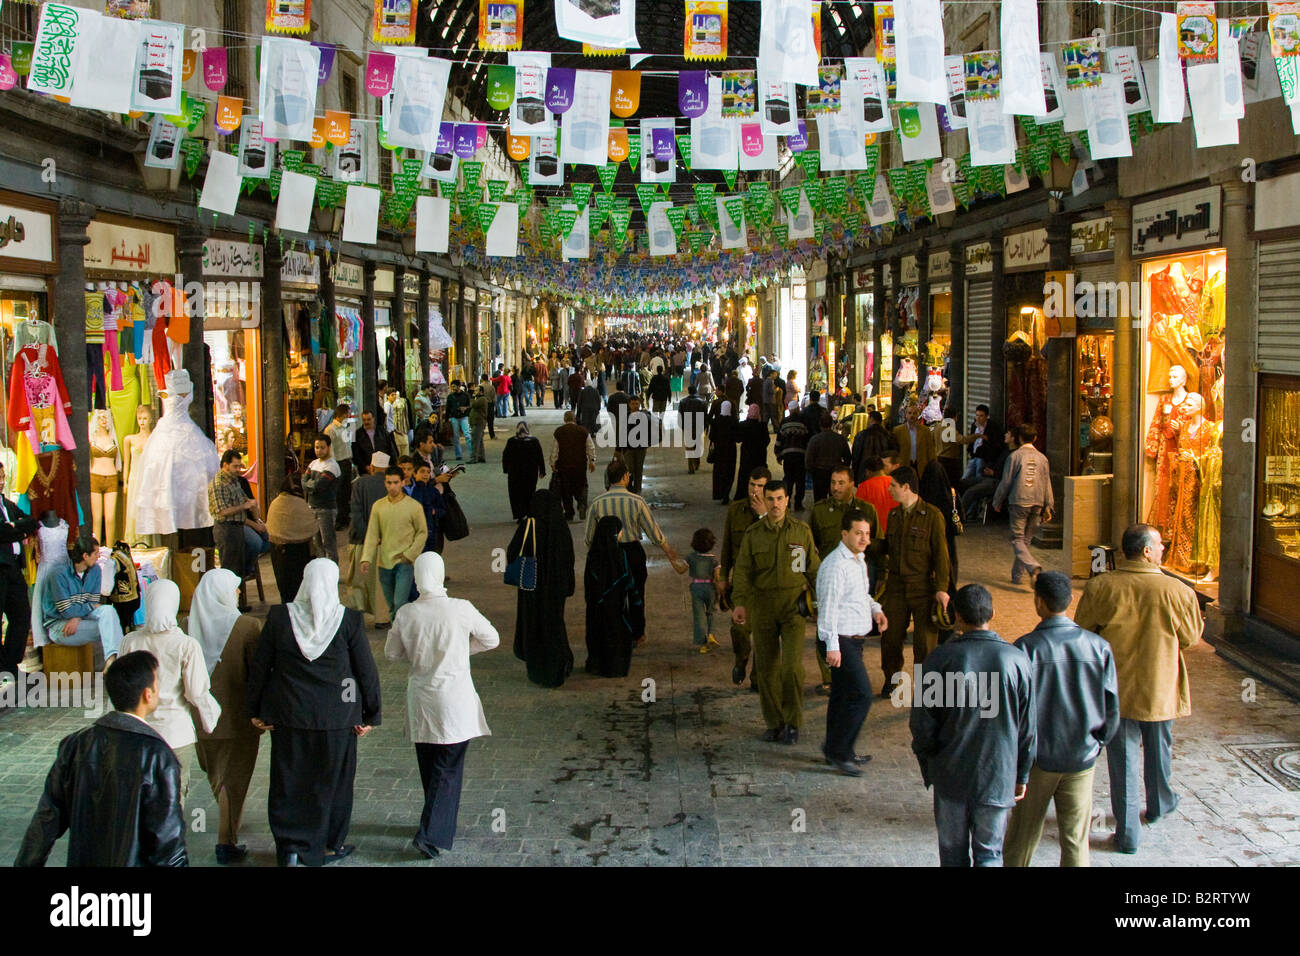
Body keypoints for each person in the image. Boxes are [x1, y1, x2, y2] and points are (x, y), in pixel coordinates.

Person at [1074, 523, 1202, 855]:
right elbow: (1190, 638)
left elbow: (1082, 632)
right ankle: (1160, 804)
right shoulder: (1178, 591)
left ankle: (1128, 832)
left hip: (1115, 687)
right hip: (1159, 685)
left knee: (1123, 759)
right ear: (1146, 551)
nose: (1163, 549)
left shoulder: (1102, 586)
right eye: (1159, 545)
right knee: (1160, 748)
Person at [247, 558, 381, 867]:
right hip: (338, 720)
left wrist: (255, 709)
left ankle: (290, 848)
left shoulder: (280, 617)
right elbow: (365, 672)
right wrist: (369, 715)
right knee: (333, 783)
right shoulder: (348, 621)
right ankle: (328, 846)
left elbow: (260, 666)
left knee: (289, 781)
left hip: (288, 716)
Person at [16, 650, 189, 866]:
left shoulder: (76, 744)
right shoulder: (158, 756)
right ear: (148, 694)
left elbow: (46, 820)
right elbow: (168, 845)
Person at [908, 585, 1034, 867]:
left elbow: (922, 724)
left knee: (952, 855)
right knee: (990, 854)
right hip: (997, 776)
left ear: (955, 616)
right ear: (993, 614)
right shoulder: (1016, 660)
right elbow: (1027, 729)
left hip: (951, 775)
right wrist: (1022, 773)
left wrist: (931, 766)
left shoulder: (940, 659)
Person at [1004, 571, 1120, 868]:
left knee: (1022, 838)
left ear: (1039, 602)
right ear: (1070, 600)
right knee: (1076, 840)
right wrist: (1096, 743)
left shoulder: (1025, 648)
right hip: (1081, 757)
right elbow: (1112, 708)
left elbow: (1013, 710)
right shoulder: (1099, 646)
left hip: (1037, 760)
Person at [386, 552, 498, 858]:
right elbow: (492, 639)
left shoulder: (406, 613)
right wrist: (460, 651)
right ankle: (430, 833)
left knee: (430, 766)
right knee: (448, 768)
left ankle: (434, 824)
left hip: (421, 701)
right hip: (454, 701)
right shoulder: (461, 609)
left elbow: (392, 654)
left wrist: (419, 652)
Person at [732, 480, 821, 745]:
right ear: (764, 500)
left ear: (787, 500)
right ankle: (774, 723)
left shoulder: (801, 532)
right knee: (767, 669)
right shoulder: (753, 534)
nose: (775, 504)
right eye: (770, 499)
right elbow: (743, 571)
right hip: (763, 607)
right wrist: (739, 603)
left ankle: (793, 723)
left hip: (793, 608)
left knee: (792, 668)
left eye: (780, 498)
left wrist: (820, 603)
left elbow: (814, 570)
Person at [187, 568, 265, 864]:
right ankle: (226, 841)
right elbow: (257, 675)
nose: (238, 593)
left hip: (199, 720)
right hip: (238, 718)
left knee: (217, 774)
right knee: (234, 778)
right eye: (234, 588)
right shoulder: (247, 626)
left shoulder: (187, 625)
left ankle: (229, 823)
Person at [119, 579, 221, 800]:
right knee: (173, 798)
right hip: (176, 734)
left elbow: (121, 688)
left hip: (138, 734)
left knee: (139, 796)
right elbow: (196, 693)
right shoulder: (186, 645)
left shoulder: (130, 642)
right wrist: (210, 719)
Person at [817, 508, 888, 776]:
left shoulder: (859, 560)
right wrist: (832, 646)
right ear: (844, 534)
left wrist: (876, 610)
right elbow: (828, 608)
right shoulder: (836, 566)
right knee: (862, 694)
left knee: (842, 695)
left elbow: (860, 596)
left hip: (852, 641)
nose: (864, 539)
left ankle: (836, 749)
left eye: (867, 534)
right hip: (840, 640)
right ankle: (839, 751)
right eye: (858, 533)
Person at [585, 459, 687, 633]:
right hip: (633, 553)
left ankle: (616, 631)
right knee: (636, 594)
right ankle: (638, 633)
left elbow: (589, 538)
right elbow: (653, 531)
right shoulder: (637, 501)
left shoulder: (597, 503)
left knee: (612, 594)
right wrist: (669, 552)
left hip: (608, 556)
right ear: (625, 477)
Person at [809, 465, 881, 694]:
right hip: (828, 579)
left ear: (852, 484)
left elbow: (877, 546)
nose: (836, 487)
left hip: (855, 579)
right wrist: (804, 578)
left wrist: (881, 576)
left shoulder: (867, 510)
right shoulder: (819, 511)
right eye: (833, 482)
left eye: (841, 483)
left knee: (851, 629)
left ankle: (848, 671)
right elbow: (807, 547)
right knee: (826, 624)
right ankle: (830, 678)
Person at [879, 466, 951, 695]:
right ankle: (891, 680)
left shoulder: (932, 516)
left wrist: (941, 589)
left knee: (925, 644)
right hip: (896, 587)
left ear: (906, 487)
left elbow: (941, 555)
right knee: (890, 638)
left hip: (923, 587)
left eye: (893, 486)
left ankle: (926, 689)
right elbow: (887, 548)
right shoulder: (894, 515)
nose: (889, 490)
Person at [509, 489, 576, 688]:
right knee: (554, 624)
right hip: (555, 588)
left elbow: (512, 552)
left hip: (532, 587)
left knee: (534, 625)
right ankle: (559, 665)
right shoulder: (561, 527)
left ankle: (538, 669)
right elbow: (569, 559)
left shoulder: (529, 525)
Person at [42, 537, 123, 670]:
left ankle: (111, 660)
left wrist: (77, 618)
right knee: (109, 627)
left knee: (109, 611)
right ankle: (117, 664)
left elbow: (93, 601)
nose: (98, 557)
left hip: (79, 620)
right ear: (85, 556)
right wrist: (84, 610)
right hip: (59, 626)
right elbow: (67, 611)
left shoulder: (95, 570)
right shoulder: (59, 574)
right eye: (96, 553)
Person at [721, 467, 769, 689]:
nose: (755, 490)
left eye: (760, 486)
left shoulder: (775, 511)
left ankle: (758, 679)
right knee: (739, 628)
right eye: (752, 485)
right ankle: (741, 659)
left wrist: (763, 515)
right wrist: (723, 576)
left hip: (767, 583)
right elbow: (727, 545)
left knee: (763, 634)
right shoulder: (736, 510)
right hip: (743, 583)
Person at [361, 466, 428, 620]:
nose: (392, 487)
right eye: (389, 483)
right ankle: (398, 630)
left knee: (400, 603)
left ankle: (401, 631)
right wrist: (366, 558)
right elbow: (372, 534)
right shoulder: (378, 506)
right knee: (392, 606)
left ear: (403, 482)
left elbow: (422, 533)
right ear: (385, 483)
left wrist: (409, 555)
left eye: (396, 482)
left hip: (404, 563)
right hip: (384, 563)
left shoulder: (414, 507)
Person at [583, 515, 646, 678]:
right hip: (617, 610)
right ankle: (615, 667)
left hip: (596, 609)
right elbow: (630, 584)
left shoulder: (592, 556)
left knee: (597, 635)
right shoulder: (620, 555)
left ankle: (596, 665)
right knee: (616, 636)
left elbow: (589, 586)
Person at [992, 423, 1054, 585]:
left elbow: (1006, 481)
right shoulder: (1043, 458)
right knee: (1026, 540)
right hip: (1037, 501)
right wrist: (1048, 506)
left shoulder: (1014, 456)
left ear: (1019, 438)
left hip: (1019, 500)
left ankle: (1033, 567)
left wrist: (997, 500)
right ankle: (1017, 576)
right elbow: (1046, 482)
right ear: (1035, 438)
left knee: (1018, 539)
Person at [0, 462, 37, 687]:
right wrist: (15, 529)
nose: (1, 481)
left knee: (21, 616)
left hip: (14, 568)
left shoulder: (8, 505)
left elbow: (30, 521)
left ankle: (9, 666)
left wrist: (14, 527)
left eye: (3, 477)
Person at [347, 451, 392, 628]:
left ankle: (355, 617)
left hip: (361, 541)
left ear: (371, 467)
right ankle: (382, 618)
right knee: (381, 584)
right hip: (384, 543)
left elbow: (356, 513)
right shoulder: (392, 485)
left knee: (358, 581)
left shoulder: (359, 484)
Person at [919, 460, 961, 643]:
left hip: (928, 547)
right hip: (949, 546)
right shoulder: (951, 494)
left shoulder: (923, 498)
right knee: (948, 583)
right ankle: (947, 623)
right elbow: (961, 517)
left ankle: (932, 623)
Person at [209, 449, 257, 579]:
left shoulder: (234, 480)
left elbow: (244, 498)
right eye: (235, 466)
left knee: (238, 570)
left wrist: (251, 504)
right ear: (225, 465)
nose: (238, 469)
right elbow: (222, 511)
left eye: (239, 466)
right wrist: (244, 506)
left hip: (237, 527)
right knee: (230, 570)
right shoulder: (218, 484)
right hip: (226, 529)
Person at [551, 411, 596, 522]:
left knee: (565, 490)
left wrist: (553, 462)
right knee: (582, 485)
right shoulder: (583, 431)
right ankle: (582, 504)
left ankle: (569, 513)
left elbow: (555, 449)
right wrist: (592, 460)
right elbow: (590, 447)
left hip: (564, 465)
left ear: (564, 419)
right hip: (580, 465)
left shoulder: (559, 432)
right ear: (575, 419)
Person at [960, 430, 1013, 521]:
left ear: (1013, 438)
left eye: (1008, 434)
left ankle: (959, 517)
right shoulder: (1005, 450)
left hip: (998, 481)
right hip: (990, 477)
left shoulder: (1013, 455)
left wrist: (994, 473)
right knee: (962, 483)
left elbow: (1008, 475)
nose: (1005, 435)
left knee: (971, 491)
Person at [303, 436, 340, 563]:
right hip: (312, 507)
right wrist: (311, 485)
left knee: (328, 543)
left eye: (322, 447)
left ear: (328, 447)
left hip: (326, 509)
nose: (319, 450)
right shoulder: (313, 464)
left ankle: (332, 570)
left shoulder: (332, 466)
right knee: (316, 543)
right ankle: (321, 569)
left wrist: (310, 485)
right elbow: (303, 482)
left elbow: (319, 485)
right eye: (316, 447)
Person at [685, 528, 722, 654]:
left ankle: (702, 642)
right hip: (710, 588)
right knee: (710, 612)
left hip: (696, 588)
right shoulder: (714, 560)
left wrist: (672, 560)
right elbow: (717, 578)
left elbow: (680, 570)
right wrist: (720, 591)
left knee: (699, 615)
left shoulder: (690, 557)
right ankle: (711, 635)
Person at [502, 421, 547, 521]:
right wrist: (542, 470)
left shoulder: (511, 441)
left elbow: (505, 456)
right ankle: (529, 513)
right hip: (530, 473)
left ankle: (519, 515)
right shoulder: (534, 441)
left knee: (516, 494)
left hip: (515, 473)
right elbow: (539, 456)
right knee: (529, 493)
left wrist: (506, 469)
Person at [774, 401, 810, 511]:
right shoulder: (804, 421)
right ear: (797, 409)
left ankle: (787, 502)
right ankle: (798, 504)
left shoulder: (784, 422)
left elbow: (779, 440)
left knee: (788, 479)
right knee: (800, 480)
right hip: (800, 456)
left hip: (788, 456)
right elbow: (807, 440)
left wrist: (779, 455)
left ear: (789, 410)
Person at [323, 403, 354, 530]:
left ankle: (345, 517)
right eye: (347, 414)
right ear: (342, 414)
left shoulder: (344, 427)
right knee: (339, 493)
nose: (349, 416)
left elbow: (347, 446)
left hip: (346, 462)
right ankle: (339, 520)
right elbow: (331, 450)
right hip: (338, 463)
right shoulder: (331, 429)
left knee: (346, 492)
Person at [733, 404, 771, 502]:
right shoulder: (762, 426)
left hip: (746, 456)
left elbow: (738, 439)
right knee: (759, 476)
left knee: (745, 476)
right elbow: (767, 441)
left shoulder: (743, 424)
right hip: (760, 456)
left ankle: (742, 496)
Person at [851, 409, 900, 483]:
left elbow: (855, 456)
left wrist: (854, 474)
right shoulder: (889, 435)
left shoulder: (861, 435)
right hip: (884, 474)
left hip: (864, 474)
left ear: (871, 419)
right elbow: (895, 454)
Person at [620, 396, 655, 495]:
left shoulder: (645, 415)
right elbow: (621, 433)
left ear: (640, 404)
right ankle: (629, 488)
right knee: (629, 469)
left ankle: (637, 489)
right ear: (629, 405)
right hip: (628, 448)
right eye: (632, 404)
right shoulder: (625, 417)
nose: (635, 406)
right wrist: (619, 449)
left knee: (639, 469)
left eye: (636, 403)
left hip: (641, 448)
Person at [855, 456, 895, 539]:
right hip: (894, 531)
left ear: (868, 472)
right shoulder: (895, 483)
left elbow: (858, 513)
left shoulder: (864, 487)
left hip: (874, 534)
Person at [892, 401, 937, 475]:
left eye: (914, 413)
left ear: (918, 415)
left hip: (921, 466)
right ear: (906, 415)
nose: (912, 415)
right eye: (909, 413)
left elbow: (930, 449)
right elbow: (895, 450)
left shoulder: (925, 430)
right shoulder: (898, 431)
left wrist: (933, 464)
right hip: (904, 465)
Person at [958, 404, 999, 482]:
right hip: (974, 456)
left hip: (984, 458)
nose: (978, 418)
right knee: (965, 477)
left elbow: (995, 443)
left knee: (979, 477)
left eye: (981, 416)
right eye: (977, 415)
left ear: (986, 416)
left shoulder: (992, 427)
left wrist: (985, 438)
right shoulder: (974, 425)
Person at [708, 399, 738, 503]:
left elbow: (711, 437)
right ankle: (726, 494)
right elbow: (737, 437)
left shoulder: (716, 421)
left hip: (719, 451)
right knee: (729, 472)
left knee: (719, 472)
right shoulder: (733, 421)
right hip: (730, 451)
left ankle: (719, 494)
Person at [677, 385, 709, 475]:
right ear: (696, 391)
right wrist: (706, 427)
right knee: (698, 445)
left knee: (689, 448)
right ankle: (697, 463)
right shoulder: (703, 402)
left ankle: (691, 468)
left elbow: (680, 416)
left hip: (687, 427)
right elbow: (705, 416)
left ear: (688, 391)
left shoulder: (683, 402)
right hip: (699, 426)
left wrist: (682, 427)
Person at [353, 410, 397, 474]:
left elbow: (391, 448)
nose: (366, 422)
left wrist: (391, 465)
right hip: (366, 470)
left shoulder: (382, 431)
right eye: (364, 420)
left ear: (373, 419)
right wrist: (365, 467)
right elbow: (356, 454)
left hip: (384, 468)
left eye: (369, 419)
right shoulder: (357, 434)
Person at [445, 381, 471, 461]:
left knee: (467, 435)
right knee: (456, 437)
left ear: (459, 386)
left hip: (464, 417)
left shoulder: (465, 395)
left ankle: (472, 453)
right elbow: (448, 408)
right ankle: (458, 455)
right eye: (452, 386)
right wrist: (447, 419)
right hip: (454, 417)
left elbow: (469, 406)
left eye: (454, 386)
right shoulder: (450, 397)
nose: (453, 388)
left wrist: (465, 409)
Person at [467, 386, 490, 464]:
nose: (474, 392)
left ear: (481, 392)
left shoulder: (482, 399)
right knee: (479, 441)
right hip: (477, 422)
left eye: (476, 390)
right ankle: (481, 456)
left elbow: (473, 404)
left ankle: (474, 458)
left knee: (475, 441)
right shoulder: (480, 399)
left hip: (478, 423)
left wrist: (472, 397)